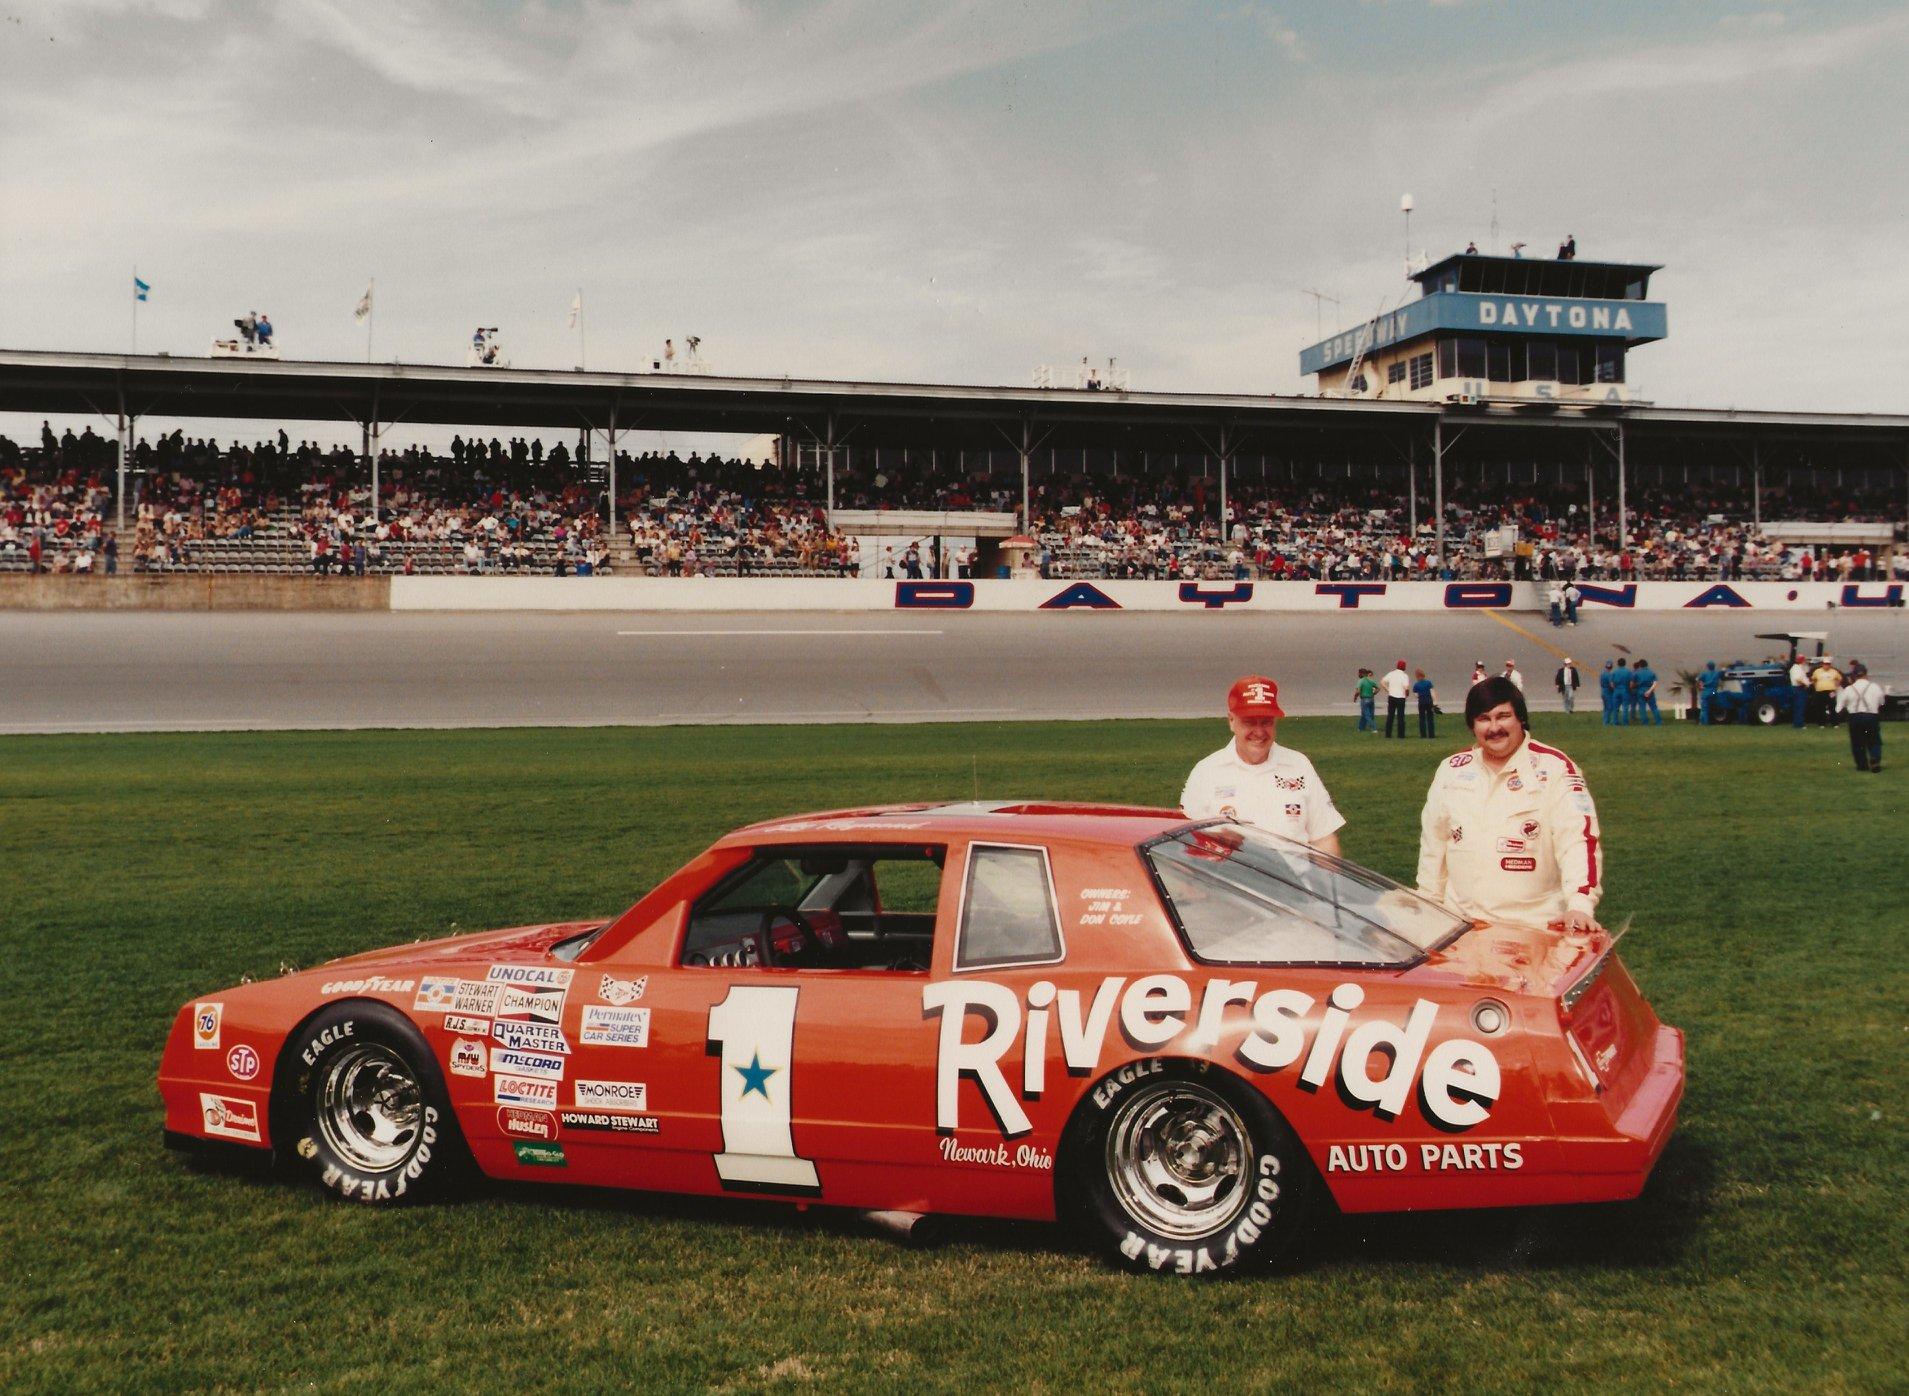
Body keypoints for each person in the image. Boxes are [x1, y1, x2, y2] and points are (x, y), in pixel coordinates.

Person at [1415, 676, 1603, 933]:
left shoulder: (1555, 768)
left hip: (1533, 930)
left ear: (1520, 718)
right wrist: (1429, 903)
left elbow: (1578, 840)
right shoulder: (1452, 770)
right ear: (1472, 725)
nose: (1494, 728)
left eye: (1503, 716)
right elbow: (1433, 845)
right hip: (1460, 930)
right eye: (1483, 719)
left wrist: (1580, 904)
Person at [1181, 675, 1344, 856]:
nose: (1259, 732)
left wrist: (1330, 883)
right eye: (1249, 722)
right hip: (1230, 881)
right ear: (1231, 721)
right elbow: (1186, 846)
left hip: (1296, 883)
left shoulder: (1299, 765)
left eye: (1266, 722)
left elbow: (1324, 838)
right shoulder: (1206, 771)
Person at [1836, 662, 1884, 772]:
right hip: (1871, 716)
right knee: (1874, 740)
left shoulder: (1849, 689)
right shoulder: (1874, 687)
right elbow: (1881, 702)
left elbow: (1840, 706)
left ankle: (1862, 765)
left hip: (1855, 717)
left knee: (1857, 742)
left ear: (1854, 676)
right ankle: (1875, 759)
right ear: (1866, 674)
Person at [1379, 660, 1412, 739]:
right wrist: (1407, 694)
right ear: (1404, 667)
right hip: (1401, 698)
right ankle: (1401, 735)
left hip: (1391, 697)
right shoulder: (1404, 676)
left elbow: (1382, 681)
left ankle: (1388, 734)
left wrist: (1387, 689)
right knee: (1401, 717)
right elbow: (1406, 687)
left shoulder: (1391, 674)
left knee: (1390, 716)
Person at [1632, 658, 1662, 725]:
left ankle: (1645, 722)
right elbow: (1655, 683)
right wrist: (1650, 690)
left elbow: (1632, 683)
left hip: (1640, 690)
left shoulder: (1637, 673)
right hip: (1649, 690)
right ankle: (1658, 721)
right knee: (1654, 707)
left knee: (1642, 707)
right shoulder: (1652, 672)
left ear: (1640, 665)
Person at [1413, 668, 1437, 738]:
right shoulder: (1428, 683)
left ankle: (1423, 735)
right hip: (1429, 701)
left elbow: (1416, 695)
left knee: (1422, 718)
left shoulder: (1416, 685)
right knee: (1430, 718)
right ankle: (1431, 734)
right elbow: (1432, 693)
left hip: (1421, 702)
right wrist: (1435, 702)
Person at [1789, 651, 1810, 729]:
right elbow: (1798, 679)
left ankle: (1797, 723)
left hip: (1798, 689)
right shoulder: (1796, 668)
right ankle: (1799, 724)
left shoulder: (1798, 668)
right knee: (1800, 706)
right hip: (1798, 689)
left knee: (1798, 706)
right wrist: (1805, 684)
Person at [1354, 669, 1378, 733]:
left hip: (1364, 699)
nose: (1358, 674)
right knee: (1366, 714)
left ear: (1362, 674)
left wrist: (1355, 697)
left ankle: (1374, 728)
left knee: (1367, 715)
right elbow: (1378, 688)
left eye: (1359, 673)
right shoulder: (1371, 680)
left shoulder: (1360, 681)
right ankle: (1360, 728)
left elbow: (1358, 691)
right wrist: (1374, 693)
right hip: (1371, 699)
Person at [1613, 658, 1633, 725]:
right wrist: (1630, 690)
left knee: (1615, 708)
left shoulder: (1615, 672)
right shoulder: (1628, 672)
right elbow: (1631, 683)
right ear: (1625, 663)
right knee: (1625, 707)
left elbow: (1612, 684)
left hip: (1616, 690)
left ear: (1618, 664)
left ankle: (1615, 722)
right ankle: (1625, 722)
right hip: (1625, 690)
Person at [1600, 660, 1618, 724]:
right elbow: (1611, 685)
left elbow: (1601, 683)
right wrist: (1615, 689)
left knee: (1605, 707)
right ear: (1611, 667)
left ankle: (1604, 720)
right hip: (1608, 693)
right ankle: (1606, 721)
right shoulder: (1610, 675)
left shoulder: (1602, 674)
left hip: (1603, 692)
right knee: (1609, 707)